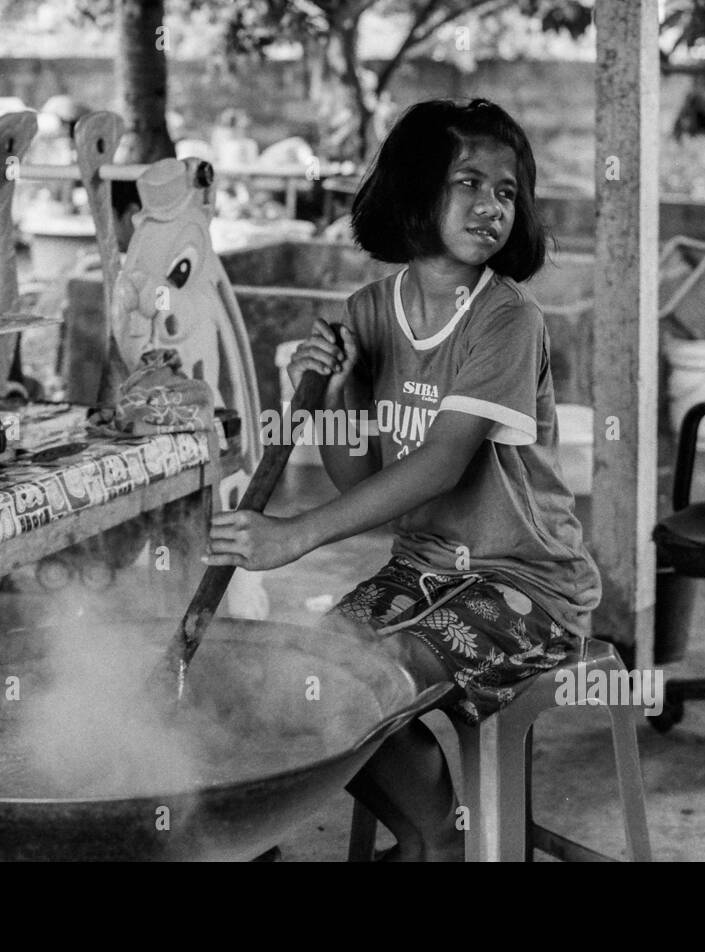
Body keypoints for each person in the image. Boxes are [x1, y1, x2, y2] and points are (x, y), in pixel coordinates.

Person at [203, 98, 601, 861]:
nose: (491, 206)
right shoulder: (366, 311)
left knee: (370, 677)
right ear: (415, 189)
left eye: (507, 191)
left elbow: (441, 465)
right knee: (308, 672)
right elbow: (364, 473)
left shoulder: (507, 319)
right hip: (421, 568)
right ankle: (434, 833)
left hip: (527, 583)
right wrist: (342, 391)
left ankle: (435, 841)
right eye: (468, 183)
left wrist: (294, 536)